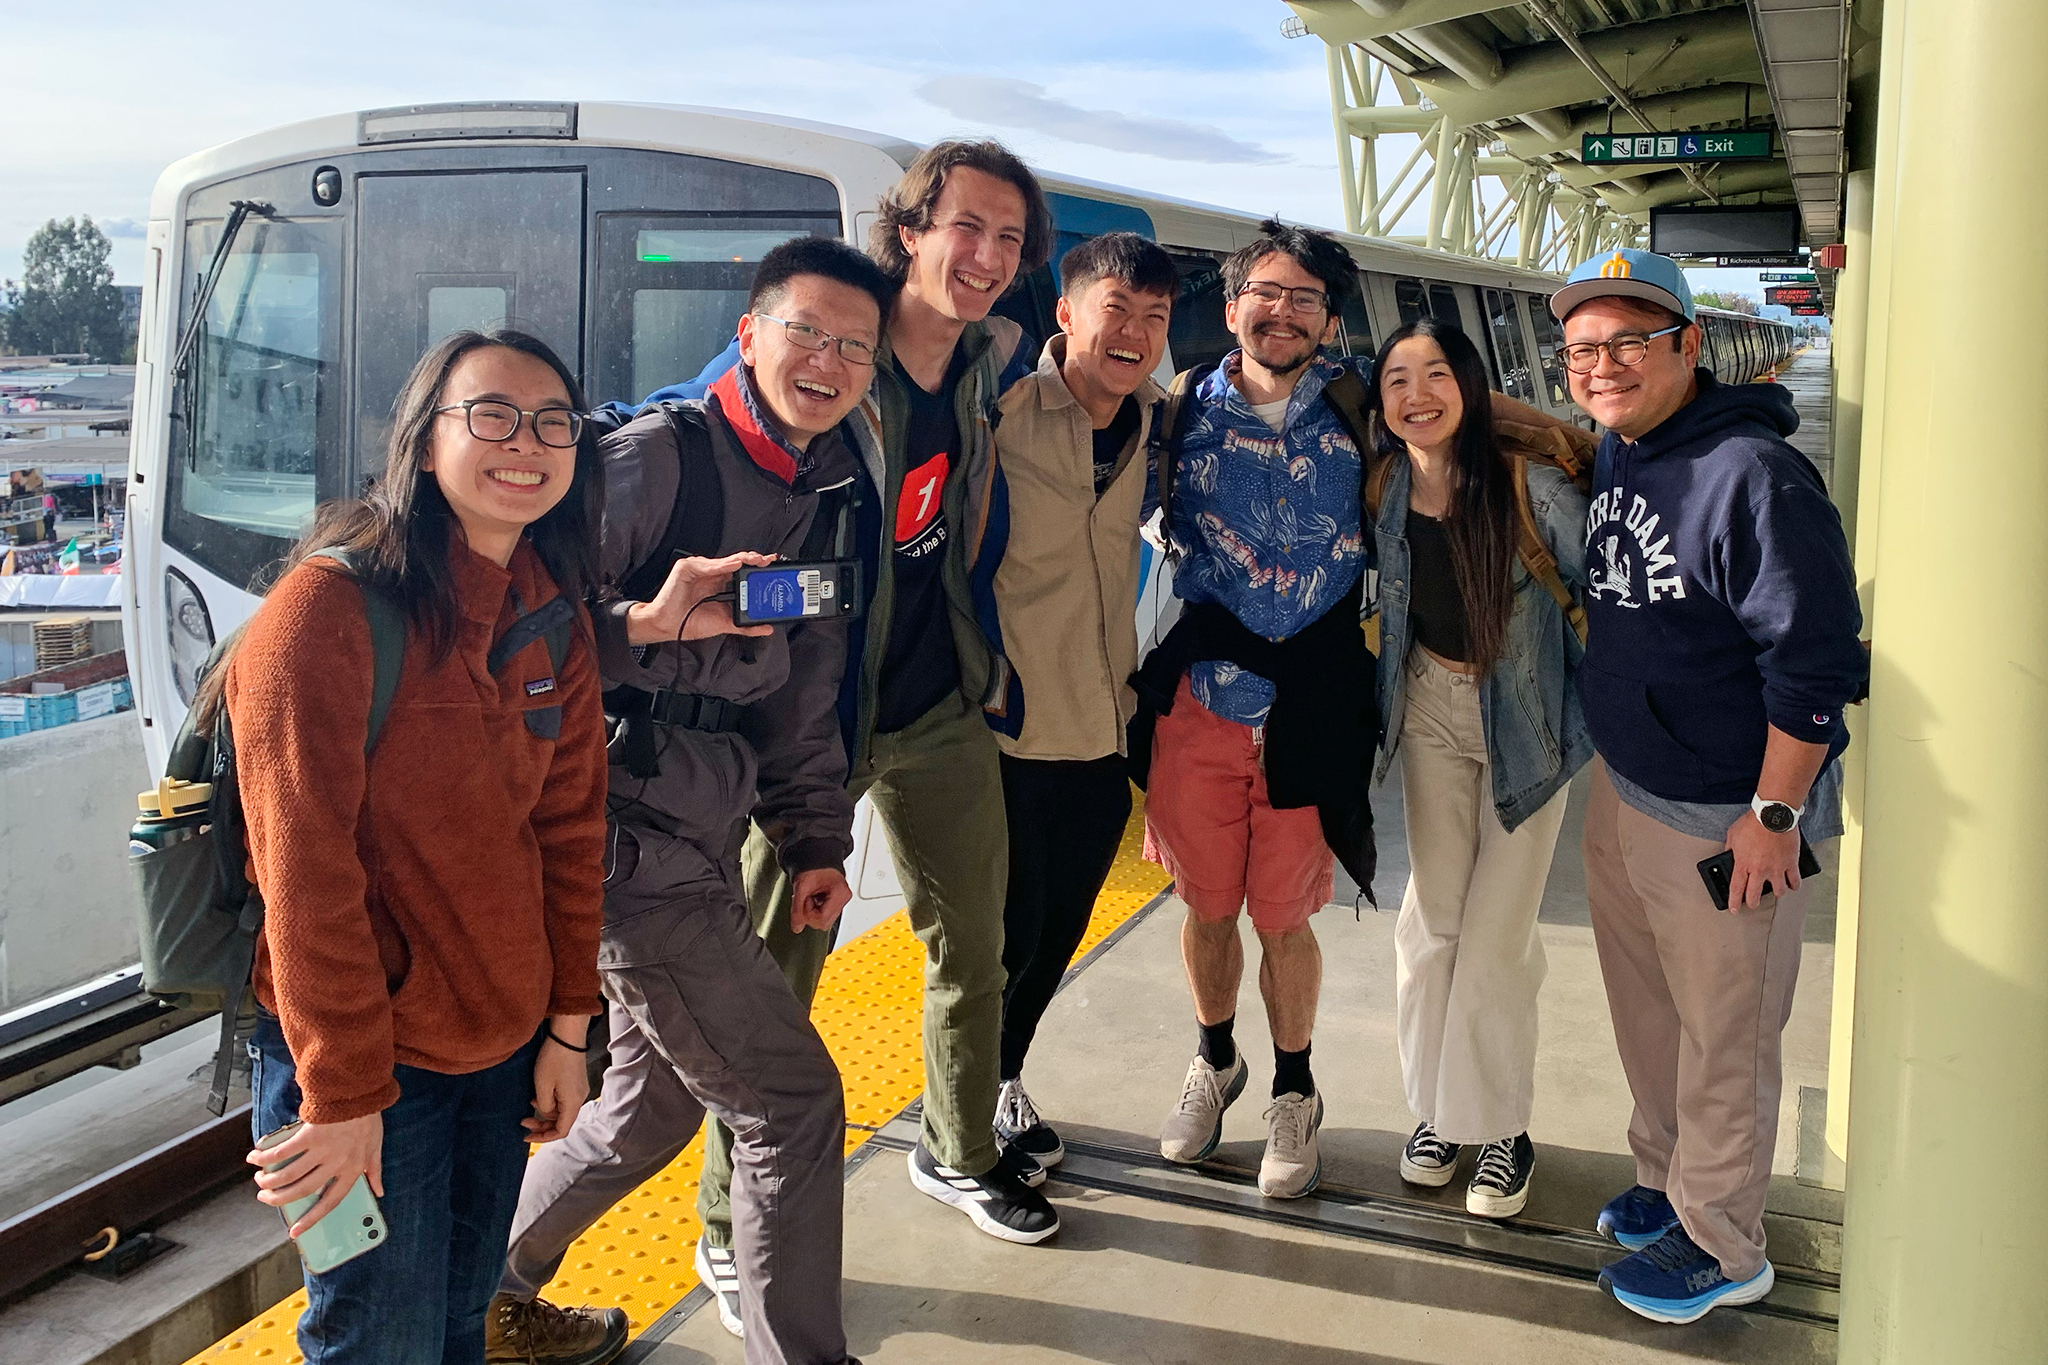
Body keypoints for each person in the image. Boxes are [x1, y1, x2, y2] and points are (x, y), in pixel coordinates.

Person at [486, 239, 891, 1365]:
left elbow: (802, 689)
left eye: (853, 346)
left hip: (702, 836)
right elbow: (509, 636)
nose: (827, 359)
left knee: (647, 1109)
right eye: (804, 330)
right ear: (749, 333)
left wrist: (813, 836)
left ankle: (483, 1291)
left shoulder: (827, 489)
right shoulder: (658, 461)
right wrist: (643, 627)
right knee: (790, 1104)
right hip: (625, 844)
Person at [690, 142, 1062, 1304]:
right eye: (967, 227)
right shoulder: (826, 356)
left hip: (936, 703)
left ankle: (959, 1148)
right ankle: (723, 1216)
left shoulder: (982, 364)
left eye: (1009, 239)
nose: (988, 257)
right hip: (806, 725)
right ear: (910, 231)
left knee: (975, 941)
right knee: (770, 974)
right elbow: (690, 421)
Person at [222, 328, 613, 1363]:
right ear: (423, 439)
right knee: (375, 1343)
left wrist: (570, 1025)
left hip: (502, 1047)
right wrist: (341, 1096)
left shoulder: (550, 616)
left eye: (552, 421)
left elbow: (569, 835)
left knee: (455, 1327)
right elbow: (302, 878)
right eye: (490, 413)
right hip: (364, 1060)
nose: (523, 441)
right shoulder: (326, 613)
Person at [1554, 249, 1866, 1324]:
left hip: (1725, 818)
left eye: (1627, 343)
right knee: (1649, 1019)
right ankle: (1663, 1182)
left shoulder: (1753, 474)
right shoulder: (1620, 447)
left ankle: (1724, 1243)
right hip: (1628, 791)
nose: (1601, 367)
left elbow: (1815, 662)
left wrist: (1773, 816)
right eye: (1581, 349)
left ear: (1687, 346)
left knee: (1722, 1039)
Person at [1134, 220, 1377, 1200]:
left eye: (1303, 298)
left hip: (1310, 702)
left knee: (1283, 917)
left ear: (1328, 317)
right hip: (1201, 699)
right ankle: (1213, 1058)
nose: (1280, 313)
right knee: (1203, 905)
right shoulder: (1180, 405)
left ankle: (1292, 1088)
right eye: (1262, 294)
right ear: (1230, 305)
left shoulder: (1365, 406)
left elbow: (1470, 448)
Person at [1364, 319, 1592, 1219]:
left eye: (1436, 374)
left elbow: (1612, 594)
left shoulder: (1528, 485)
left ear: (1469, 383)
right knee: (1435, 925)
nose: (1416, 394)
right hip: (1429, 710)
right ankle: (1438, 1111)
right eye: (1396, 380)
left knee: (1497, 936)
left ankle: (1502, 1125)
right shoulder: (1382, 487)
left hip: (1525, 719)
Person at [986, 231, 1176, 1171]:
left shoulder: (1160, 421)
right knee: (1005, 935)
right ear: (1066, 313)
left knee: (1057, 931)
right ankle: (972, 1104)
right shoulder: (1001, 416)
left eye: (1155, 317)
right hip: (1011, 731)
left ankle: (1001, 1076)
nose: (1135, 332)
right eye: (1117, 309)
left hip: (1106, 731)